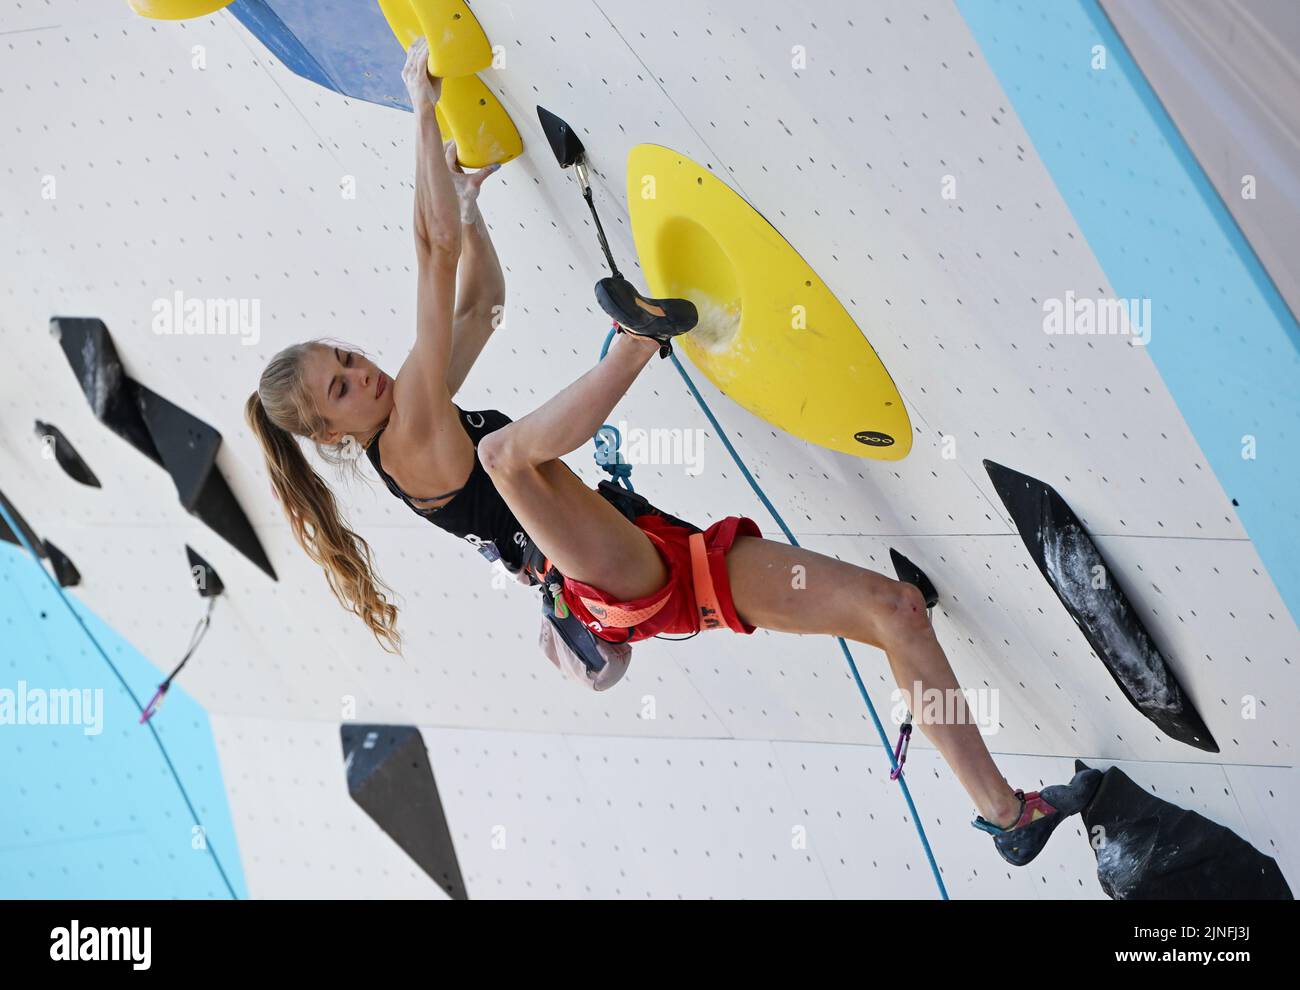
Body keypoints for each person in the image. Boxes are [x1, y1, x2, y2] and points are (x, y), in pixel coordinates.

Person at [244, 39, 1099, 865]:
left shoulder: (413, 407)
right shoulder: (406, 441)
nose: (362, 373)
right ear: (331, 435)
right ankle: (634, 342)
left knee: (894, 612)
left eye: (347, 358)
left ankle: (1005, 816)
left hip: (655, 560)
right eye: (341, 388)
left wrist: (471, 211)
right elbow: (433, 256)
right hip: (600, 580)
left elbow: (483, 306)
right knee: (507, 456)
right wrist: (421, 112)